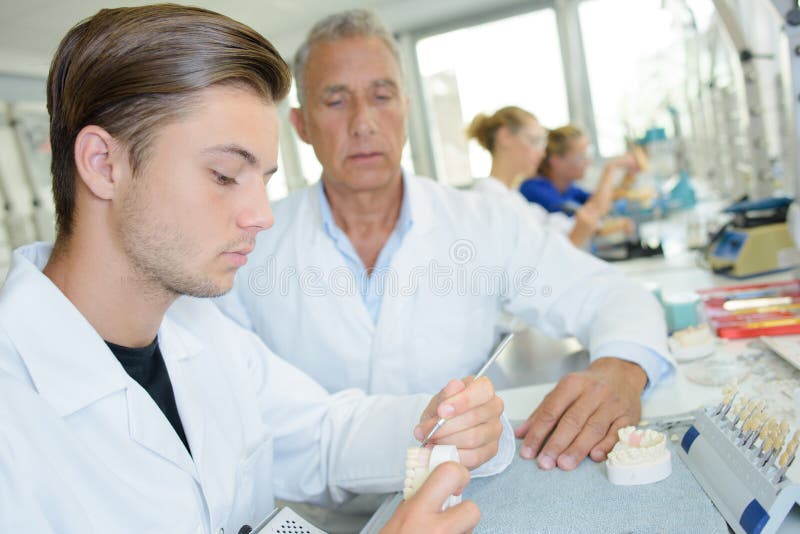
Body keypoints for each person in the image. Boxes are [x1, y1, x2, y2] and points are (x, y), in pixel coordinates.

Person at [0, 6, 510, 533]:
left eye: (264, 179)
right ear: (104, 164)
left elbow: (321, 435)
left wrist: (444, 424)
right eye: (224, 175)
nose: (262, 216)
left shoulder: (199, 331)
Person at [217, 6, 675, 482]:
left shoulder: (483, 222)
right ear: (302, 125)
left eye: (382, 95)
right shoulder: (248, 247)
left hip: (476, 497)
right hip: (331, 519)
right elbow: (245, 414)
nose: (363, 122)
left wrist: (622, 368)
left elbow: (611, 294)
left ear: (406, 109)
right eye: (335, 101)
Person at [466, 107, 599, 247]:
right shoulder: (488, 199)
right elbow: (526, 265)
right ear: (505, 137)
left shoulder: (514, 198)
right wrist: (577, 237)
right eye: (534, 141)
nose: (542, 154)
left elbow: (551, 227)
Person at [518, 125, 638, 241]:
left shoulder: (569, 189)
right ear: (556, 160)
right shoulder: (533, 189)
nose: (587, 161)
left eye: (588, 153)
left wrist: (629, 176)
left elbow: (607, 201)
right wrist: (611, 168)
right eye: (581, 156)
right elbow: (597, 211)